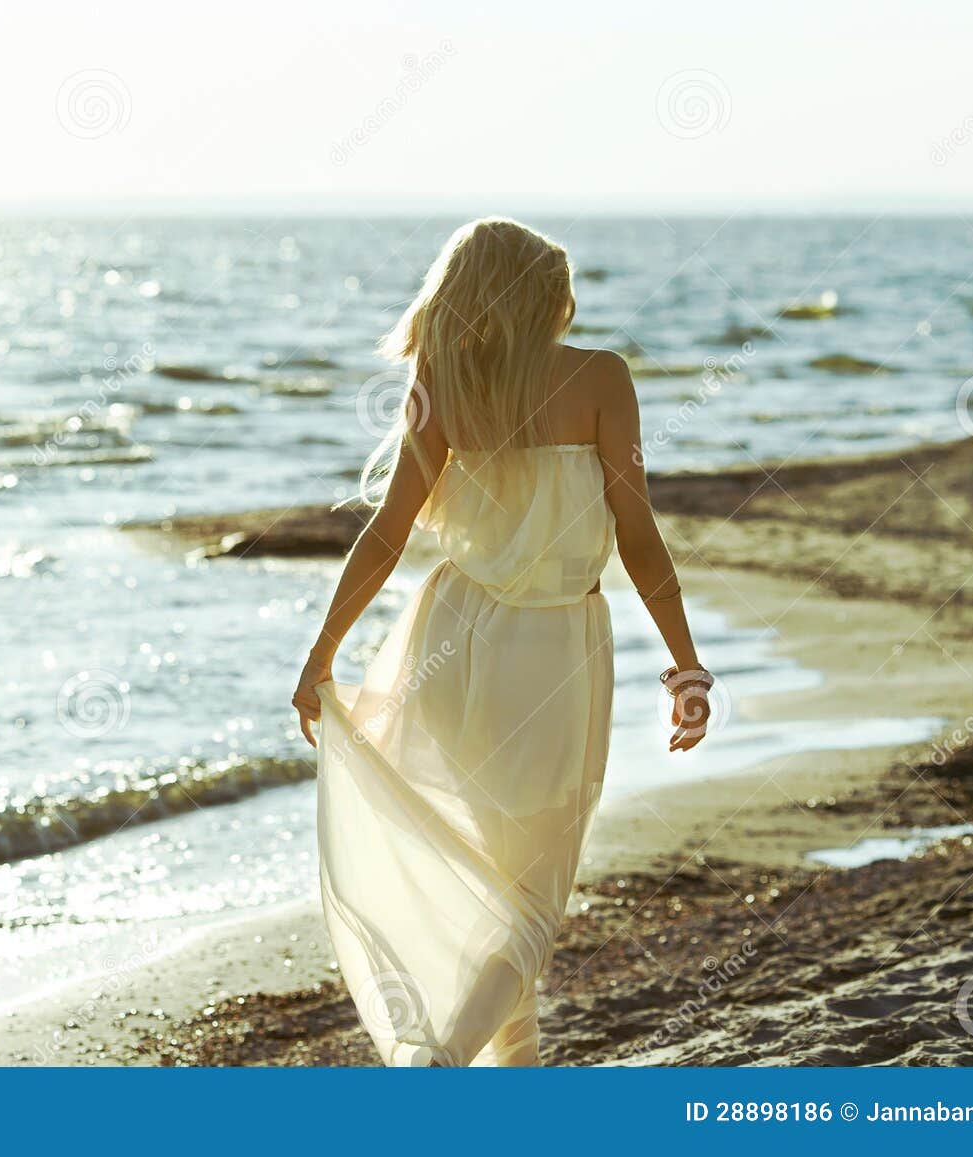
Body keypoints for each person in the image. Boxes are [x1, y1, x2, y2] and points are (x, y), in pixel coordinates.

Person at [290, 217, 713, 1066]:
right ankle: (439, 1068)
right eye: (558, 288)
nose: (569, 304)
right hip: (556, 652)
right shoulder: (600, 377)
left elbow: (386, 533)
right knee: (531, 899)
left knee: (503, 889)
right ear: (537, 297)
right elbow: (637, 530)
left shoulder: (441, 384)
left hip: (448, 639)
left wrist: (322, 652)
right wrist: (685, 660)